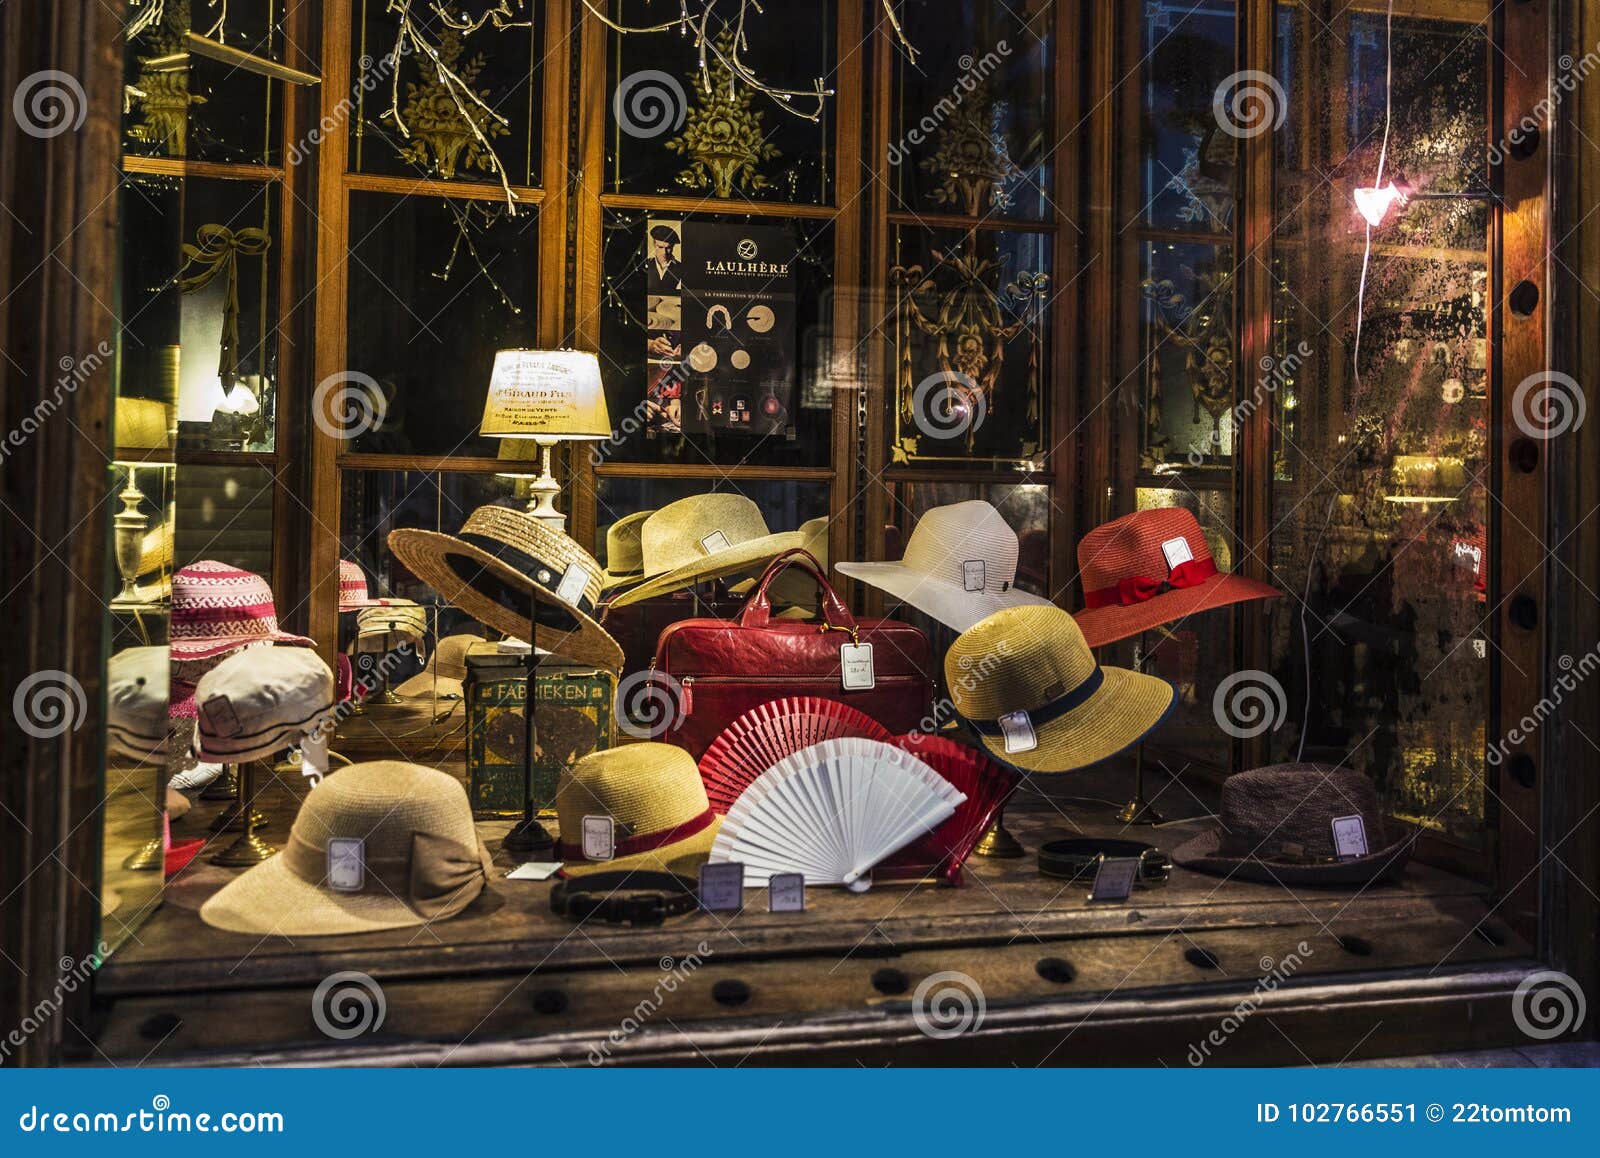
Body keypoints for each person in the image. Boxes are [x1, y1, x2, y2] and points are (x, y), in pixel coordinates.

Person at [647, 224, 682, 291]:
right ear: (654, 245)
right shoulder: (646, 264)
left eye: (668, 248)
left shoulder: (682, 268)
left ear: (673, 247)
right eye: (660, 247)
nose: (664, 252)